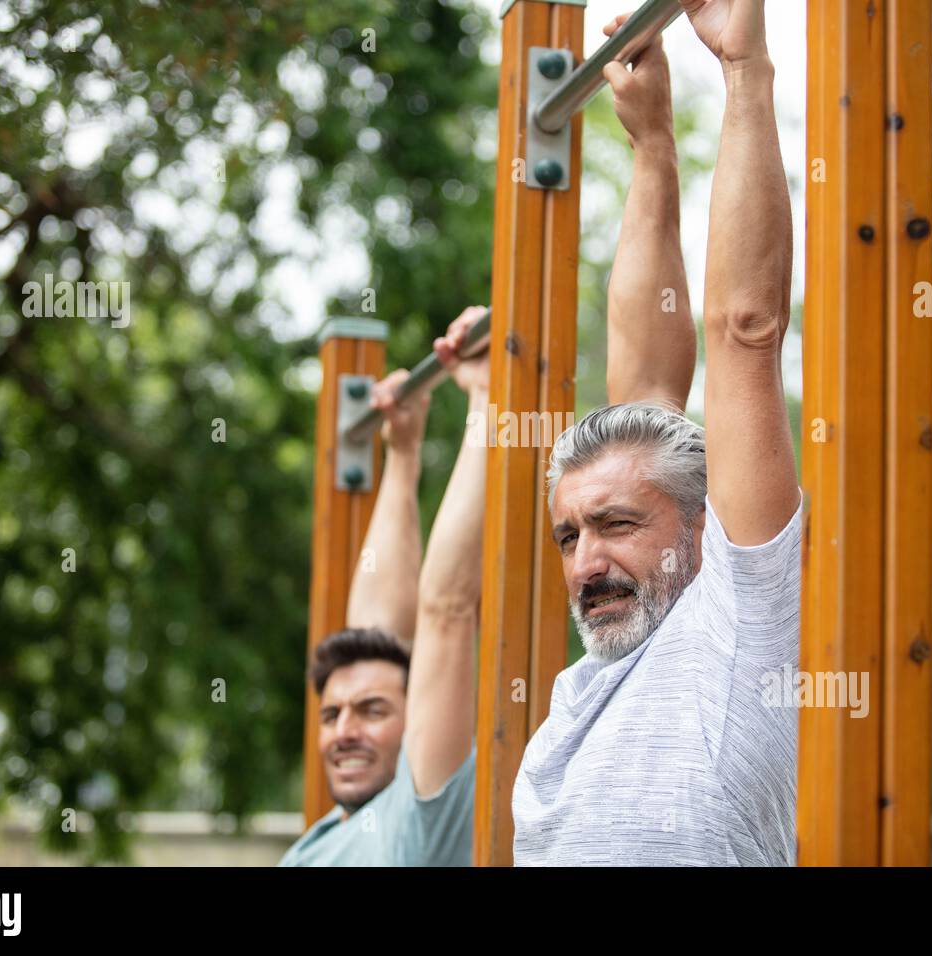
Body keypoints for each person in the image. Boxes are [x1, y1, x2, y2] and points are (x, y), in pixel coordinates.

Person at [510, 0, 804, 865]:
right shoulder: (590, 683)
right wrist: (651, 146)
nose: (585, 562)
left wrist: (745, 72)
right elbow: (642, 390)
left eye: (617, 526)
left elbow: (744, 335)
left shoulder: (738, 631)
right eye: (570, 533)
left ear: (709, 525)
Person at [278, 307, 489, 866]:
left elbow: (446, 608)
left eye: (372, 711)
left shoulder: (420, 820)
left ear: (415, 718)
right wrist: (402, 452)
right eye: (332, 714)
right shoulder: (319, 842)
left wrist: (488, 400)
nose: (344, 731)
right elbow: (376, 629)